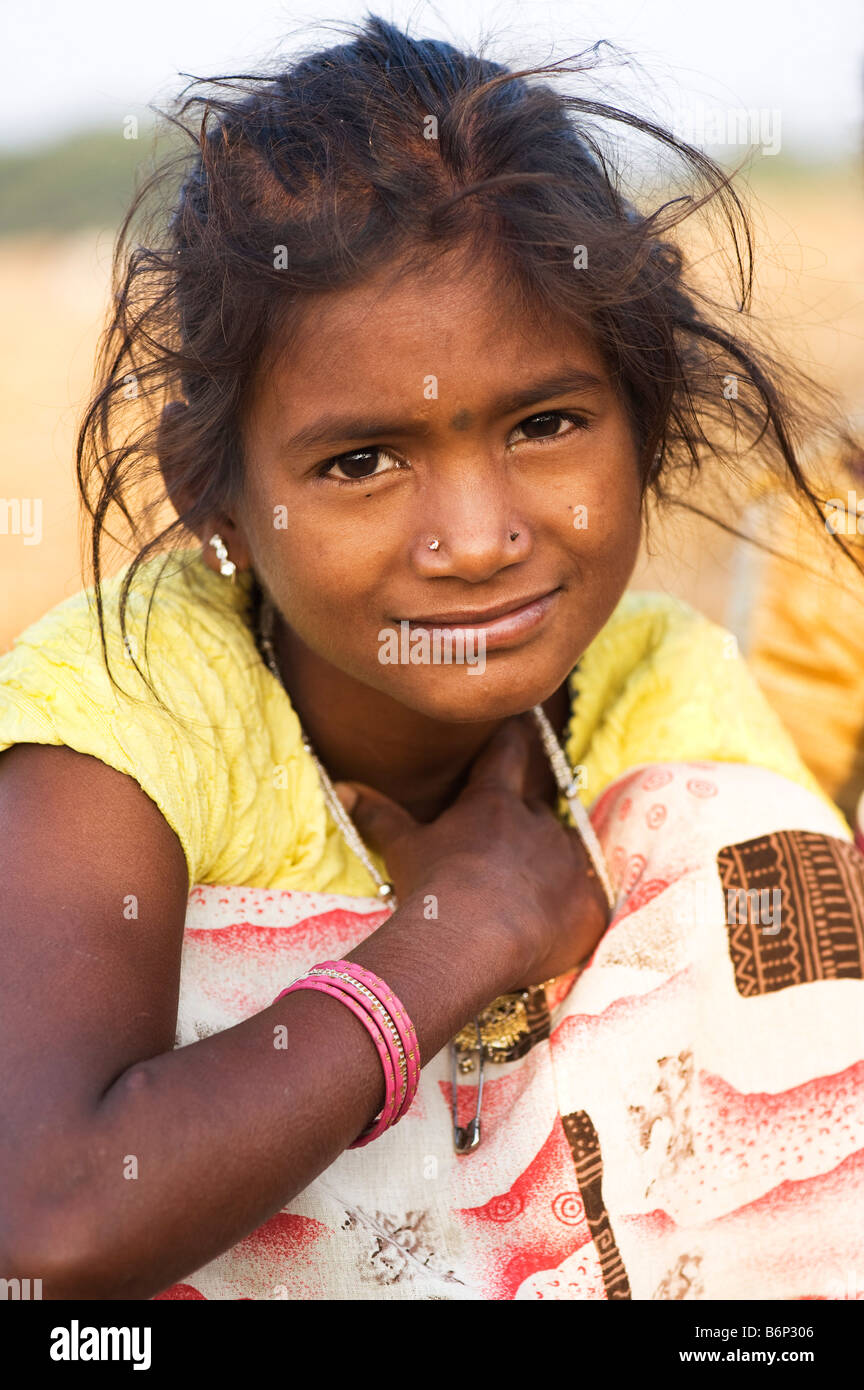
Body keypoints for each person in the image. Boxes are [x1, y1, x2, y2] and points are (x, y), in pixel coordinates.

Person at [1, 15, 862, 1301]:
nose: (476, 540)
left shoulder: (660, 692)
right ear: (216, 496)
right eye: (362, 461)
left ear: (647, 417)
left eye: (547, 423)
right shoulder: (133, 704)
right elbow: (52, 1213)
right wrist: (451, 938)